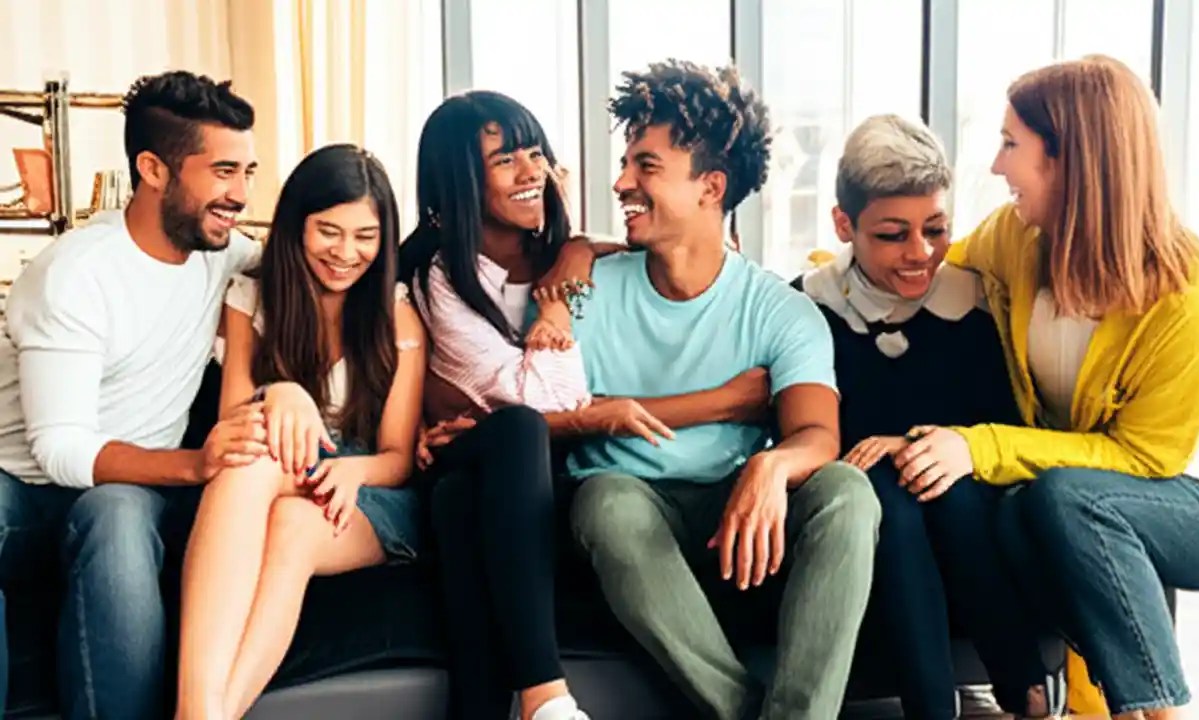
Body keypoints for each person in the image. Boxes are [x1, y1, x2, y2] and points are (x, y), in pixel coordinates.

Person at [895, 55, 1199, 720]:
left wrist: (980, 446)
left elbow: (1146, 460)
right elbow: (922, 269)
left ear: (1069, 158)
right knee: (1024, 508)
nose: (995, 166)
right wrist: (820, 285)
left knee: (1065, 498)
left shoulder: (1191, 298)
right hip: (1092, 491)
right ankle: (1076, 702)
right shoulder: (1018, 239)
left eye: (1012, 143)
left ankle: (1160, 712)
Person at [400, 89, 771, 720]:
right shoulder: (440, 280)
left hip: (540, 484)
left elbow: (663, 256)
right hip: (484, 459)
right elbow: (546, 396)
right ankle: (547, 697)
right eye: (504, 160)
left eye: (534, 153)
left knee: (470, 499)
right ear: (456, 182)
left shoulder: (579, 258)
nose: (531, 172)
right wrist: (566, 339)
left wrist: (567, 261)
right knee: (511, 435)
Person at [566, 59, 880, 720]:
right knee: (607, 502)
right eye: (626, 163)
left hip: (733, 515)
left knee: (848, 492)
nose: (622, 182)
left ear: (710, 186)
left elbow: (818, 435)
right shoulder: (585, 295)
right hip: (630, 518)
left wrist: (772, 463)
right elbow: (553, 413)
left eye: (645, 167)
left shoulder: (779, 311)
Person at [0, 71, 263, 720]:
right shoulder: (74, 274)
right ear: (152, 168)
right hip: (21, 487)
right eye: (223, 171)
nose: (240, 194)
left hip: (125, 492)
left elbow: (336, 250)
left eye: (248, 171)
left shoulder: (223, 254)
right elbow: (59, 449)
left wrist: (563, 254)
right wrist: (193, 463)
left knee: (116, 515)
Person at [796, 113, 1057, 719]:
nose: (920, 253)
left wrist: (912, 440)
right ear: (844, 224)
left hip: (965, 500)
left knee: (945, 487)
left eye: (935, 229)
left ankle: (1021, 687)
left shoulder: (977, 304)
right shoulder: (806, 305)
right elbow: (812, 431)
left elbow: (1002, 427)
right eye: (893, 235)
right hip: (868, 506)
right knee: (888, 490)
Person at [173, 144, 424, 720]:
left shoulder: (396, 314)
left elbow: (397, 459)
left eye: (366, 236)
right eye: (328, 231)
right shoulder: (253, 296)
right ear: (296, 226)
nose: (346, 253)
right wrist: (284, 392)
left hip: (369, 493)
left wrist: (348, 470)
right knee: (248, 457)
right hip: (274, 458)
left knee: (290, 522)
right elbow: (234, 421)